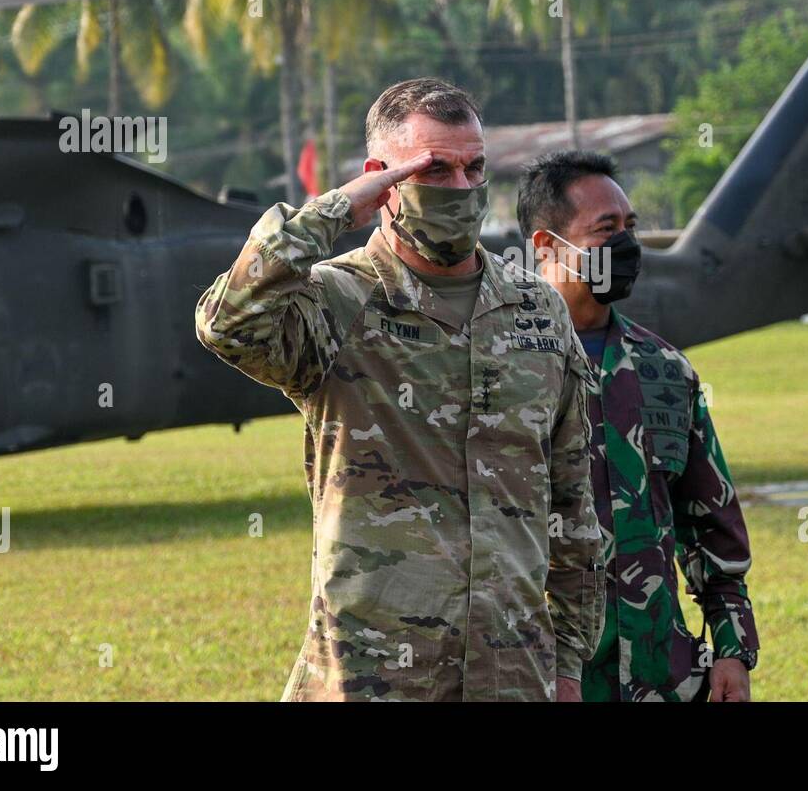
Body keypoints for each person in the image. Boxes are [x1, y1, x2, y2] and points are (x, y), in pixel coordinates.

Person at [195, 79, 603, 701]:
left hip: (512, 674)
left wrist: (569, 664)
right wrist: (332, 213)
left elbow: (572, 503)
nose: (462, 189)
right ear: (379, 178)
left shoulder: (536, 308)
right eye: (435, 170)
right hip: (375, 676)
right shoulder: (338, 300)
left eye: (474, 168)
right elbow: (226, 323)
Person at [517, 150, 759, 702]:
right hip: (542, 678)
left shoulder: (666, 371)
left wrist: (731, 649)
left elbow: (711, 523)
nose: (626, 245)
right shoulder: (498, 368)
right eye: (607, 230)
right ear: (546, 246)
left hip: (663, 679)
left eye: (631, 227)